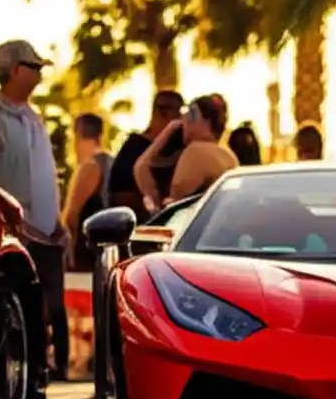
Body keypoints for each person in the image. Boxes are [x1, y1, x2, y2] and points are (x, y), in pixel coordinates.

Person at [0, 39, 67, 399]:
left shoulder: (34, 119)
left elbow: (44, 176)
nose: (39, 73)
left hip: (45, 236)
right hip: (13, 239)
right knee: (13, 319)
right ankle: (8, 395)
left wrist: (59, 222)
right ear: (14, 70)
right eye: (33, 66)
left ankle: (35, 389)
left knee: (44, 318)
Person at [135, 94, 237, 211]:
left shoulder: (196, 151)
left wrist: (168, 131)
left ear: (205, 121)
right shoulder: (228, 155)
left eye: (190, 116)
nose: (184, 122)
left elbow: (140, 169)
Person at [105, 90, 184, 221]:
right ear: (163, 112)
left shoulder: (177, 147)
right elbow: (121, 195)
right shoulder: (134, 148)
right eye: (178, 112)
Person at [62, 113, 113, 272]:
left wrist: (67, 254)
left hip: (85, 256)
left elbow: (71, 216)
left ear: (76, 134)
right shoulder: (110, 162)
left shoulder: (90, 166)